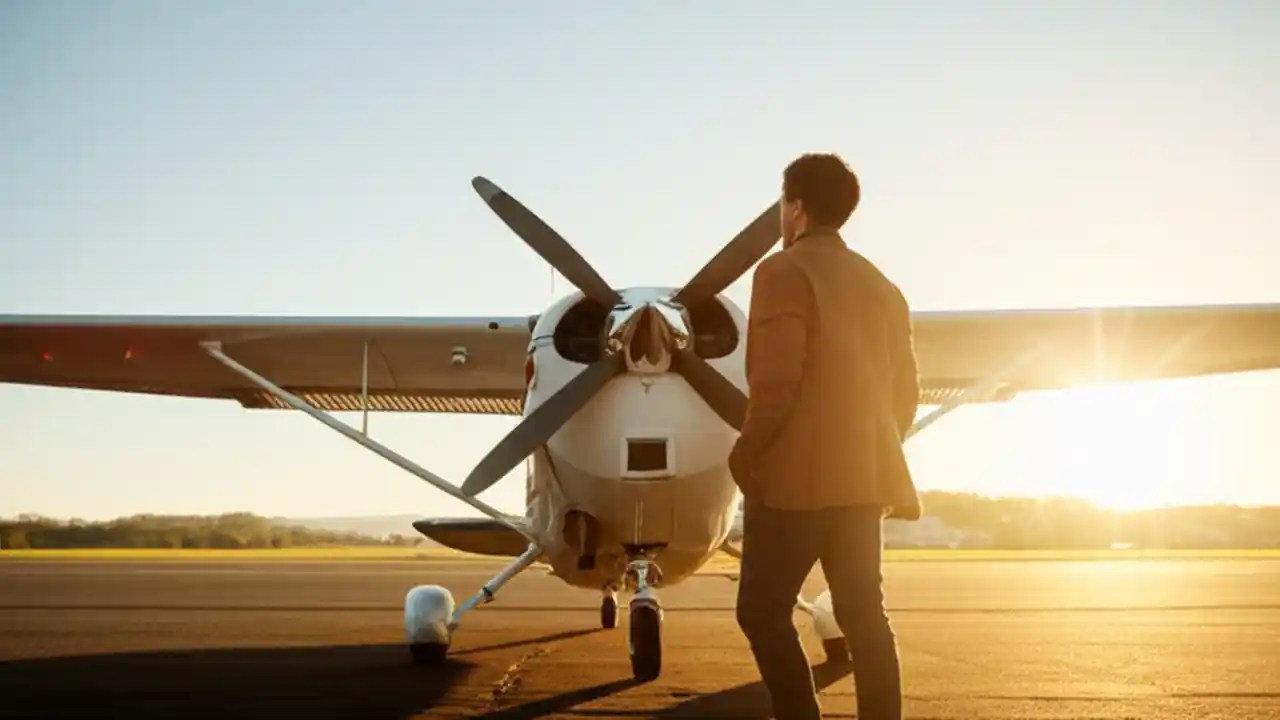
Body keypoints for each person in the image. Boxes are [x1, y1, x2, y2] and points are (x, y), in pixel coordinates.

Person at [729, 153, 922, 720]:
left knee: (761, 613)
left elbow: (777, 381)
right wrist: (870, 451)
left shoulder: (781, 271)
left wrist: (747, 455)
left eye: (782, 203)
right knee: (866, 615)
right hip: (865, 483)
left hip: (790, 483)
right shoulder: (884, 286)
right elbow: (905, 394)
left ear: (796, 208)